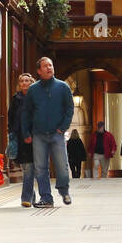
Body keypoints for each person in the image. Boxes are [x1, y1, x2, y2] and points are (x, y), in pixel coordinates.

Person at [21, 56, 74, 206]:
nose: (49, 68)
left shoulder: (63, 87)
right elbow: (26, 112)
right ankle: (46, 198)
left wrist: (62, 127)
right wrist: (26, 133)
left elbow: (69, 109)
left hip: (57, 134)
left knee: (62, 166)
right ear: (39, 71)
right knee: (40, 168)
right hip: (38, 134)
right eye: (45, 66)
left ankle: (64, 191)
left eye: (50, 65)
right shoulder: (33, 89)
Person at [7, 73, 36, 207]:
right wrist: (11, 134)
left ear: (31, 82)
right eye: (22, 81)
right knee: (26, 168)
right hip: (19, 137)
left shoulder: (36, 98)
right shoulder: (15, 99)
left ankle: (26, 198)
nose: (24, 83)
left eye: (27, 81)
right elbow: (11, 117)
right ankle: (32, 195)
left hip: (32, 137)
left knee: (29, 168)